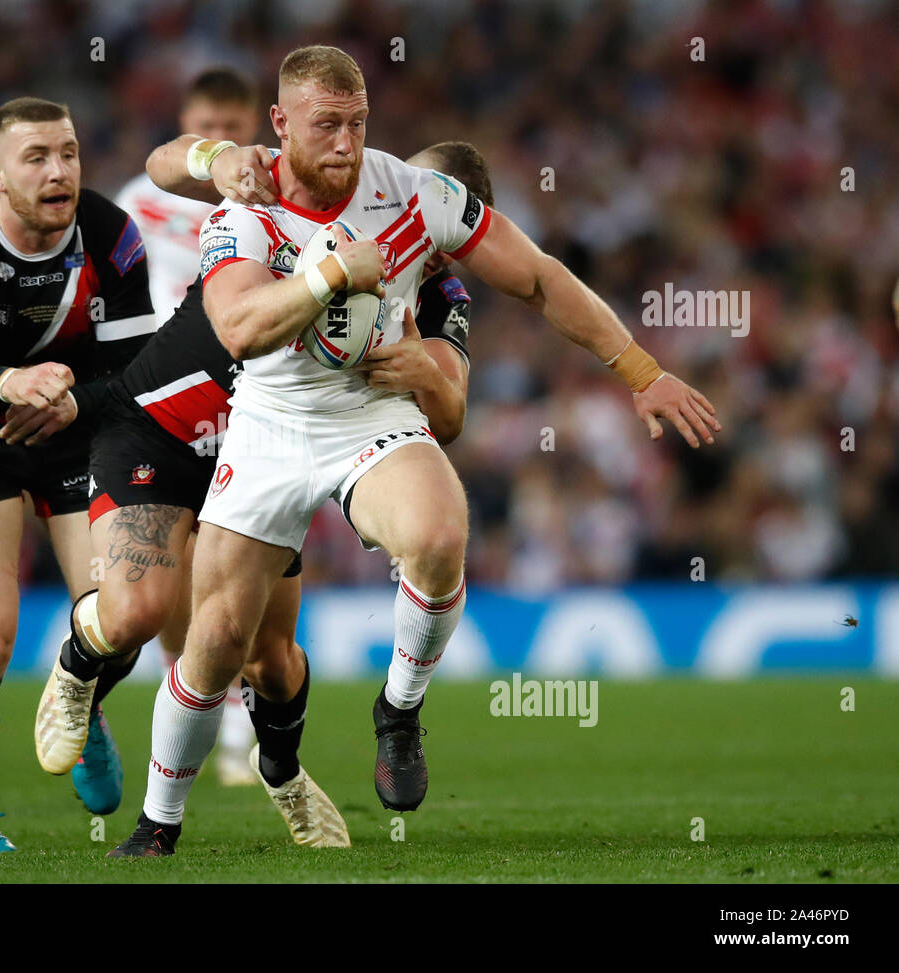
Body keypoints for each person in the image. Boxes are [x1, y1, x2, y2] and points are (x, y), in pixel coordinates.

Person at [109, 45, 720, 857]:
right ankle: (158, 824)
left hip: (369, 413)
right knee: (216, 639)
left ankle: (397, 711)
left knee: (437, 536)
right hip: (268, 421)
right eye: (327, 125)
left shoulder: (414, 195)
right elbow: (239, 328)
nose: (346, 143)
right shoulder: (241, 205)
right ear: (281, 124)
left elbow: (537, 277)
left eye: (358, 123)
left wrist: (639, 370)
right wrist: (329, 272)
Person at [32, 135, 486, 853]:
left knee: (272, 659)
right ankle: (79, 667)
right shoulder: (300, 209)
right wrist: (215, 157)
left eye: (422, 202)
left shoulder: (434, 294)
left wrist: (425, 375)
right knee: (140, 612)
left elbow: (452, 414)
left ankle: (281, 771)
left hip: (258, 452)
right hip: (162, 431)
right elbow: (160, 166)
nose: (397, 206)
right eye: (399, 189)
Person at [0, 96, 156, 852]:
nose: (59, 171)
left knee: (122, 616)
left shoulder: (113, 236)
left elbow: (135, 370)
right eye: (37, 157)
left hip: (72, 430)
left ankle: (76, 696)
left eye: (69, 152)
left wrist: (69, 405)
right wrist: (8, 385)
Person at [113, 66, 263, 786]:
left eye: (236, 129)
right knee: (173, 564)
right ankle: (196, 686)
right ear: (186, 123)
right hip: (162, 401)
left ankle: (236, 701)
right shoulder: (137, 206)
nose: (224, 141)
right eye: (210, 127)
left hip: (250, 403)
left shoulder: (273, 203)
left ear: (255, 129)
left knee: (239, 553)